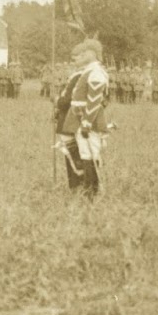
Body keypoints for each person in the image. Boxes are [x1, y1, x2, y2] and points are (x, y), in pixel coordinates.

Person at [54, 38, 110, 197]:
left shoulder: (96, 72)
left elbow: (94, 101)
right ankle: (88, 190)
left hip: (87, 121)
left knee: (91, 155)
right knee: (86, 154)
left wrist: (86, 123)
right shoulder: (89, 71)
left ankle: (92, 192)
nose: (82, 55)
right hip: (80, 119)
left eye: (85, 52)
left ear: (92, 53)